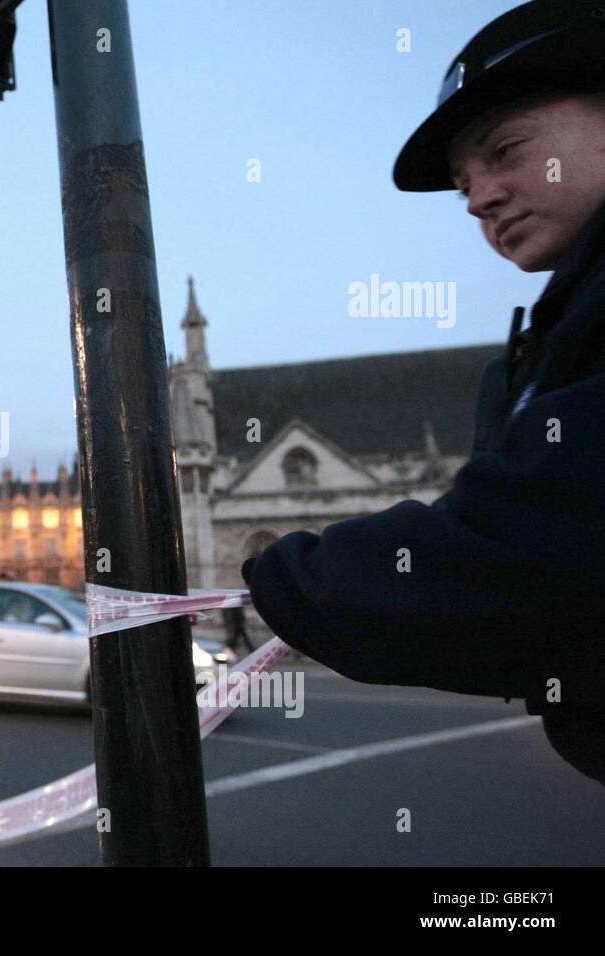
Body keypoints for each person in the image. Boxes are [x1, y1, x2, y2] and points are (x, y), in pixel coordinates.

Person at [244, 0, 605, 785]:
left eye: (506, 151)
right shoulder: (565, 317)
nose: (478, 198)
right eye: (462, 183)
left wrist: (284, 578)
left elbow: (532, 557)